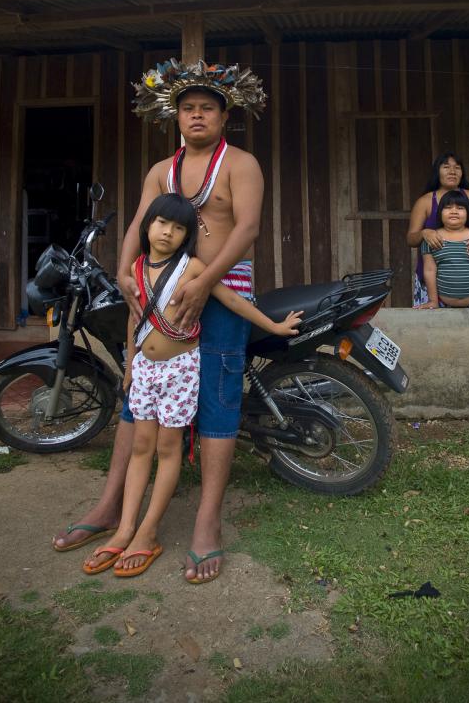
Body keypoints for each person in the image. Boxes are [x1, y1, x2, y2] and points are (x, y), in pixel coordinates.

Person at [53, 60, 268, 584]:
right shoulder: (160, 171)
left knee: (218, 398)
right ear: (177, 117)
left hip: (221, 289)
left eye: (207, 109)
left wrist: (202, 279)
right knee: (138, 395)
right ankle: (109, 507)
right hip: (158, 296)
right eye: (189, 109)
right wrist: (128, 274)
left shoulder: (240, 163)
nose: (197, 116)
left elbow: (247, 228)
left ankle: (206, 521)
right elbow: (137, 224)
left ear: (223, 116)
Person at [83, 192, 301, 578]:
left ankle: (147, 533)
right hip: (146, 371)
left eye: (179, 227)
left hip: (180, 371)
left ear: (187, 235)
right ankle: (125, 529)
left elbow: (234, 302)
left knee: (168, 449)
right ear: (147, 225)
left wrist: (274, 327)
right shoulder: (134, 268)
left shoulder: (192, 267)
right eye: (161, 223)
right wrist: (131, 366)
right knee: (140, 448)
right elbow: (135, 320)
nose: (168, 232)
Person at [406, 153, 469, 308]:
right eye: (446, 167)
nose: (452, 171)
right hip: (433, 278)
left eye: (457, 168)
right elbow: (410, 239)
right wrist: (424, 233)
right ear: (437, 172)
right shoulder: (425, 201)